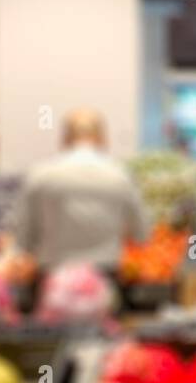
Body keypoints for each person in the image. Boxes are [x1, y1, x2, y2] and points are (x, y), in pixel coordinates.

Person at [9, 108, 148, 278]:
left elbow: (22, 237)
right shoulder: (121, 176)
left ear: (64, 138)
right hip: (105, 275)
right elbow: (141, 234)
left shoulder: (41, 175)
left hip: (52, 275)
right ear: (103, 138)